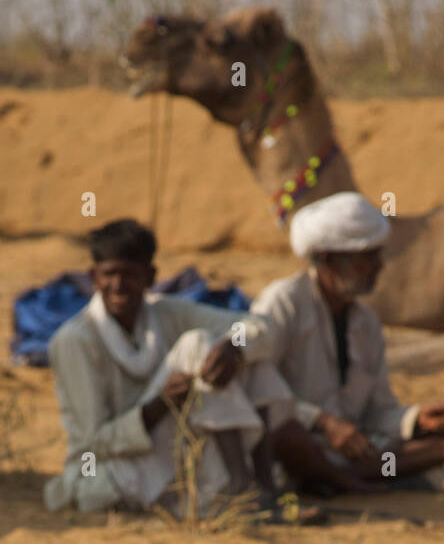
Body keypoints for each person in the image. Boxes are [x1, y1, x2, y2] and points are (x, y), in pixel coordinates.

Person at [43, 218, 298, 518]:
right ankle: (241, 494)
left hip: (166, 454)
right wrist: (157, 407)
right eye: (109, 274)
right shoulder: (76, 340)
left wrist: (235, 347)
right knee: (195, 345)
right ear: (93, 278)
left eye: (130, 274)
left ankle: (261, 489)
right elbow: (92, 444)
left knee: (242, 353)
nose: (119, 285)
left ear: (150, 277)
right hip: (108, 467)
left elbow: (260, 327)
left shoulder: (166, 313)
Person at [251, 191, 444, 495]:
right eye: (366, 257)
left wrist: (416, 419)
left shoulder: (367, 323)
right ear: (329, 258)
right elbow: (255, 386)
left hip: (352, 450)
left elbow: (377, 412)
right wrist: (322, 422)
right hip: (297, 444)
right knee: (291, 439)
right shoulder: (283, 303)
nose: (378, 266)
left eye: (377, 255)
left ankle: (337, 479)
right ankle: (341, 480)